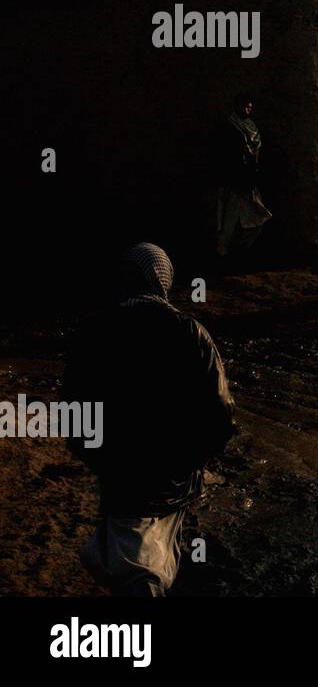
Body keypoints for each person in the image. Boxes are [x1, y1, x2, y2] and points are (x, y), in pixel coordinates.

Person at [63, 242, 236, 597]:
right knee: (152, 562)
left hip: (117, 469)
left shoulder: (95, 331)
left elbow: (73, 408)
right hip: (173, 474)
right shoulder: (190, 333)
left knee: (131, 553)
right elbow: (219, 412)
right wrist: (193, 459)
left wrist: (94, 455)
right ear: (162, 280)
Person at [214, 94, 272, 257]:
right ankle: (224, 252)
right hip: (235, 181)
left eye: (250, 107)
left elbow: (255, 152)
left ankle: (238, 251)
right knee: (230, 220)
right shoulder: (230, 128)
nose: (247, 109)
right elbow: (228, 156)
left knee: (256, 217)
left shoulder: (250, 127)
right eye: (245, 106)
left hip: (248, 181)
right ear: (237, 106)